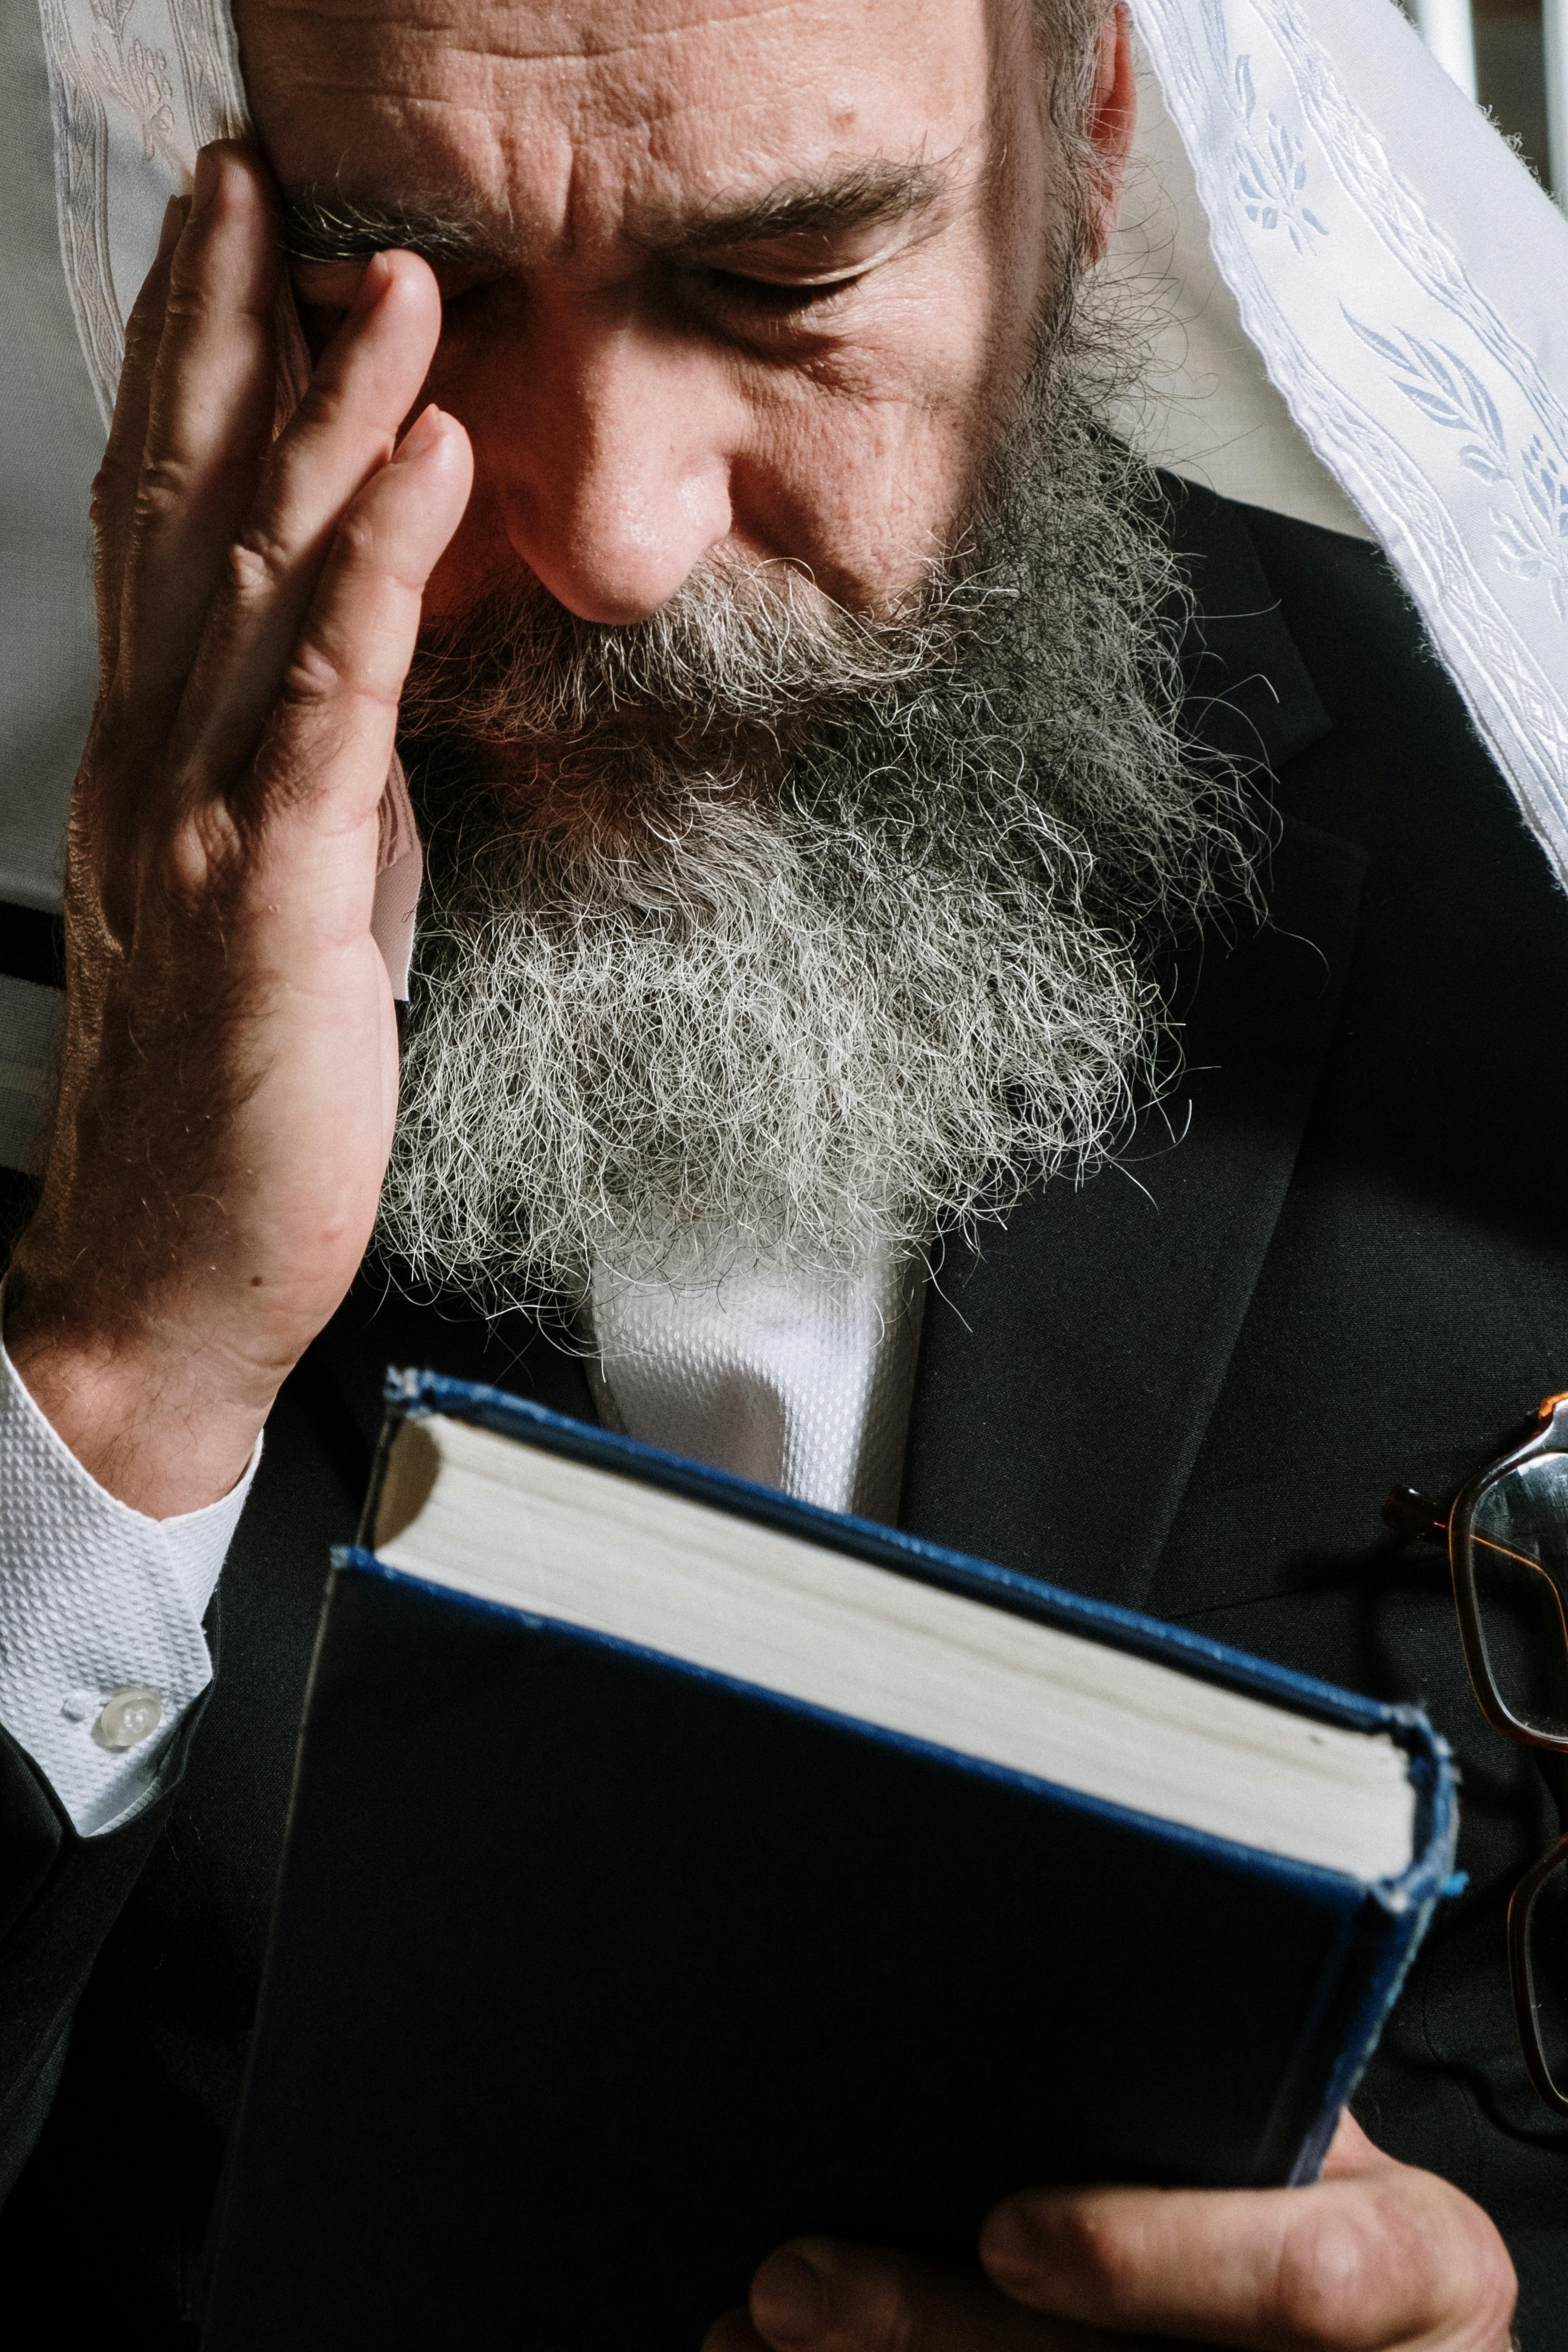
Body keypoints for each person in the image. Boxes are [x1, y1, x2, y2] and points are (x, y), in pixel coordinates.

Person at [0, 0, 1556, 2342]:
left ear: (1086, 137)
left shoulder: (1524, 862)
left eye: (781, 280)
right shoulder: (73, 916)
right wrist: (132, 1339)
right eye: (405, 284)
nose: (607, 535)